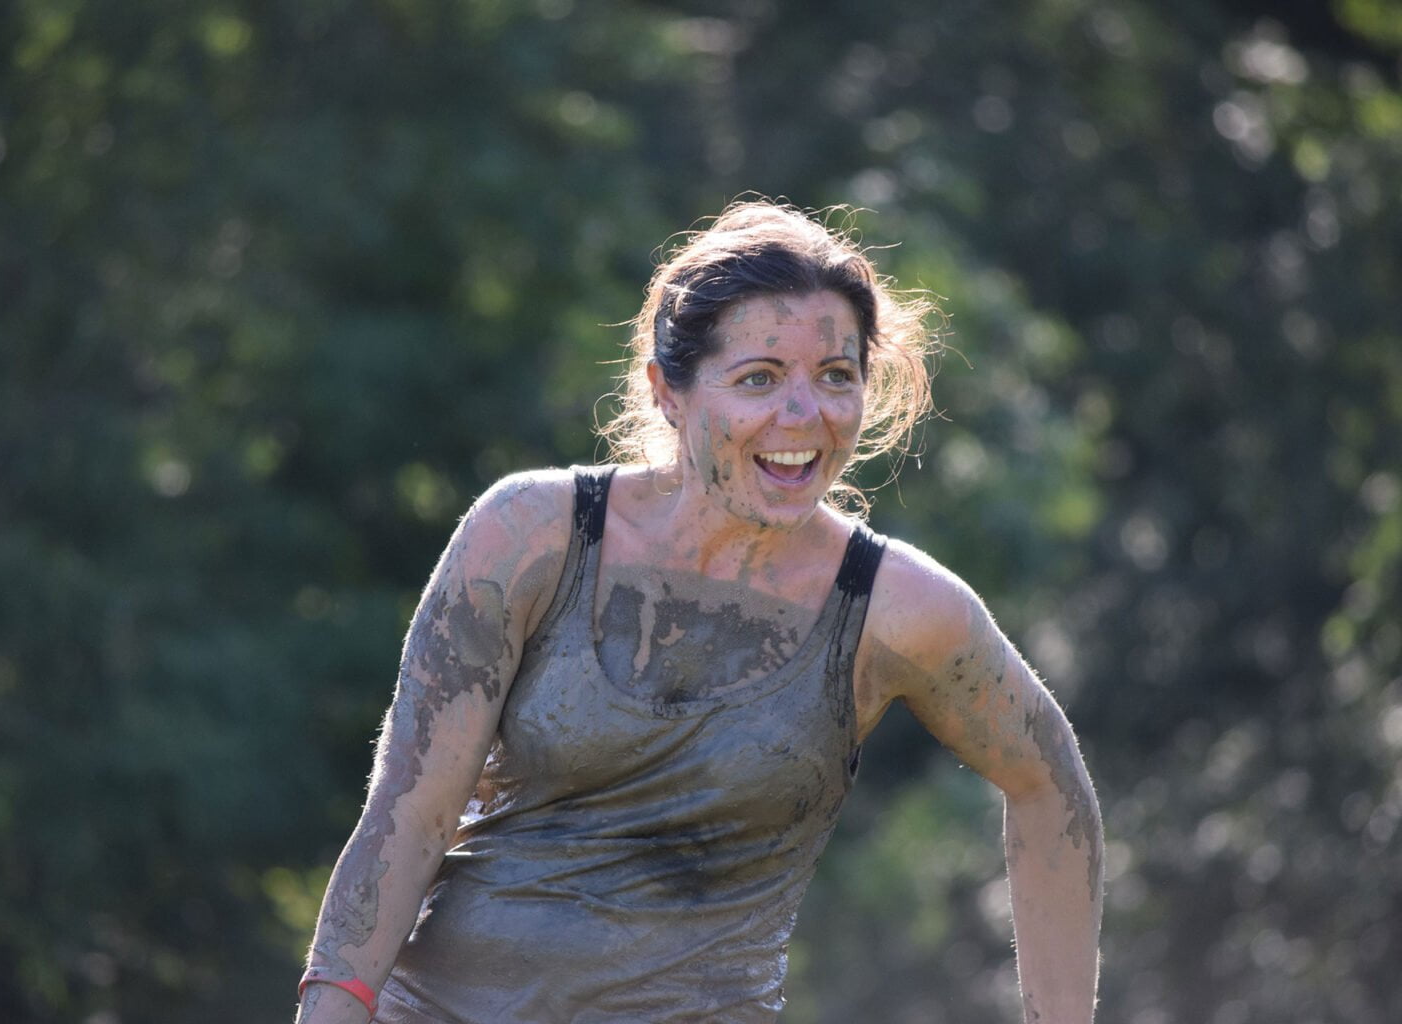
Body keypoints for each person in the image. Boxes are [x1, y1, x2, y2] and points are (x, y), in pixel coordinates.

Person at [293, 200, 1102, 1023]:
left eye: (836, 376)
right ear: (668, 391)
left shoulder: (898, 611)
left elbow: (1050, 783)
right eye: (759, 379)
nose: (803, 416)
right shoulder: (531, 536)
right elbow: (409, 815)